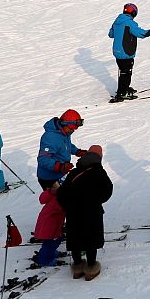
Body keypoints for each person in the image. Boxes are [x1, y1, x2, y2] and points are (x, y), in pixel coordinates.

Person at [55, 144, 112, 281]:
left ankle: (77, 268)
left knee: (75, 238)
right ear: (100, 157)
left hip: (73, 212)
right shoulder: (99, 172)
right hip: (92, 211)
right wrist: (95, 201)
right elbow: (107, 191)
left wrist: (68, 206)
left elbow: (61, 193)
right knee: (91, 239)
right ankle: (91, 269)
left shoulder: (75, 172)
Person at [109, 2, 150, 101]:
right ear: (133, 13)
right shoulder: (130, 23)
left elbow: (111, 34)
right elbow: (140, 33)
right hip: (126, 52)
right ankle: (122, 93)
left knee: (123, 72)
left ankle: (124, 88)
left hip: (117, 52)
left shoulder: (116, 22)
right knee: (126, 73)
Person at [35, 110, 84, 190]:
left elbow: (66, 145)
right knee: (57, 201)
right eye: (71, 129)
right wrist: (60, 167)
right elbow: (43, 159)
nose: (73, 131)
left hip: (60, 174)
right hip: (49, 178)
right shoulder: (50, 137)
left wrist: (77, 151)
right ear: (64, 124)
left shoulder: (64, 132)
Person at [31, 181, 65, 267]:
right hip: (50, 225)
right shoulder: (58, 198)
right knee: (52, 242)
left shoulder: (53, 195)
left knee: (51, 241)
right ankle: (44, 260)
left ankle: (50, 252)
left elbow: (42, 199)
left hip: (48, 223)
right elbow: (62, 207)